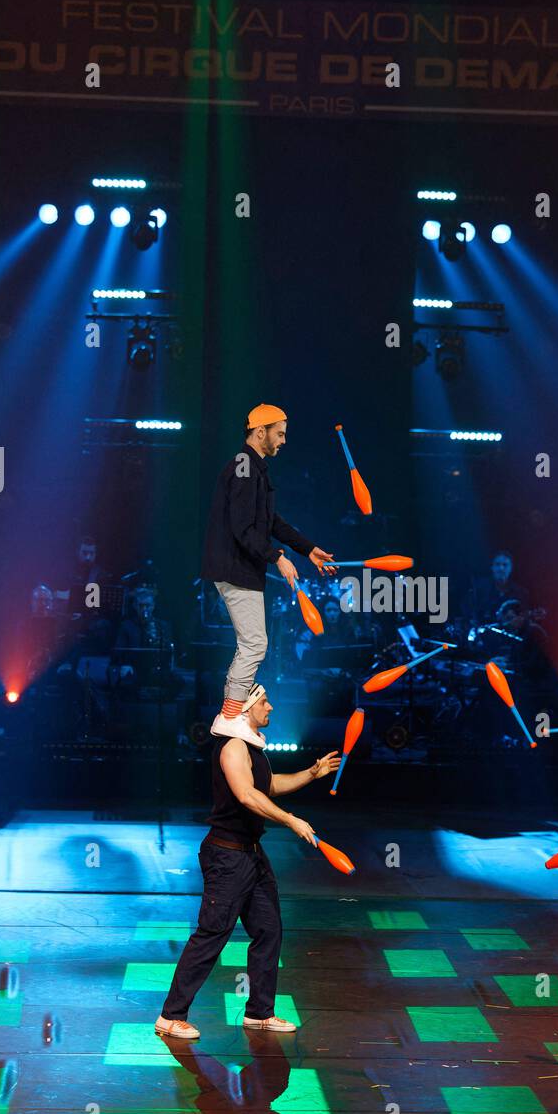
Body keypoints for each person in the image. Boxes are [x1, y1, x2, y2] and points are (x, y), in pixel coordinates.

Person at [154, 682, 339, 1040]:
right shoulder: (233, 747)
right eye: (265, 702)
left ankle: (259, 1013)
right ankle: (170, 1016)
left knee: (269, 931)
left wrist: (311, 774)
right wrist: (291, 820)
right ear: (246, 708)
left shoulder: (253, 749)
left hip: (250, 853)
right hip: (227, 856)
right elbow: (246, 795)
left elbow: (267, 786)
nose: (271, 708)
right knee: (212, 934)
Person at [201, 403, 335, 742]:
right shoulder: (245, 466)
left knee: (253, 643)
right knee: (255, 643)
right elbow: (243, 527)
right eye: (280, 433)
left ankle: (231, 713)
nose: (284, 441)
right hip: (235, 568)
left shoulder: (255, 470)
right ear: (260, 432)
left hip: (242, 568)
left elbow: (270, 522)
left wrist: (307, 549)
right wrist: (278, 556)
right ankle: (229, 715)